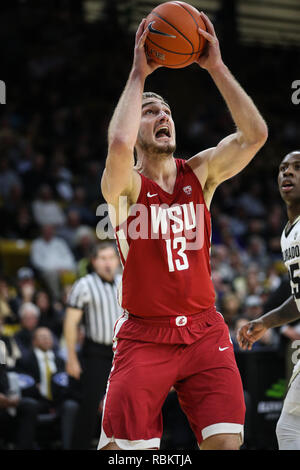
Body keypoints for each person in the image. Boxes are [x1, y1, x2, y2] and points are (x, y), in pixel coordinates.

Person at [99, 13, 268, 451]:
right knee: (124, 455)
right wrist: (139, 72)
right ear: (136, 129)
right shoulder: (126, 187)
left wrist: (215, 66)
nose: (163, 116)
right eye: (150, 111)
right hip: (145, 335)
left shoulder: (201, 171)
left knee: (227, 445)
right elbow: (117, 146)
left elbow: (254, 136)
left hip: (204, 331)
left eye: (167, 111)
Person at [237, 150, 300, 450]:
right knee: (288, 430)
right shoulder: (288, 234)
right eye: (283, 168)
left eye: (298, 168)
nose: (288, 173)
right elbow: (298, 298)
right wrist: (266, 321)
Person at [64, 242, 122, 449]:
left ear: (117, 260)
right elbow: (71, 322)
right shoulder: (85, 284)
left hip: (124, 354)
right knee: (89, 408)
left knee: (125, 406)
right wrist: (71, 357)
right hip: (96, 352)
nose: (108, 263)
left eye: (111, 258)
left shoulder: (124, 281)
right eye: (103, 258)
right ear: (94, 262)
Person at [16, 327, 79, 449]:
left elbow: (67, 384)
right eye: (42, 337)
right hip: (37, 400)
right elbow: (21, 385)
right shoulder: (24, 361)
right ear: (34, 341)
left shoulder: (61, 361)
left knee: (71, 405)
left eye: (48, 337)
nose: (46, 339)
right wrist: (35, 387)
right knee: (30, 405)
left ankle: (70, 446)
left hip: (57, 401)